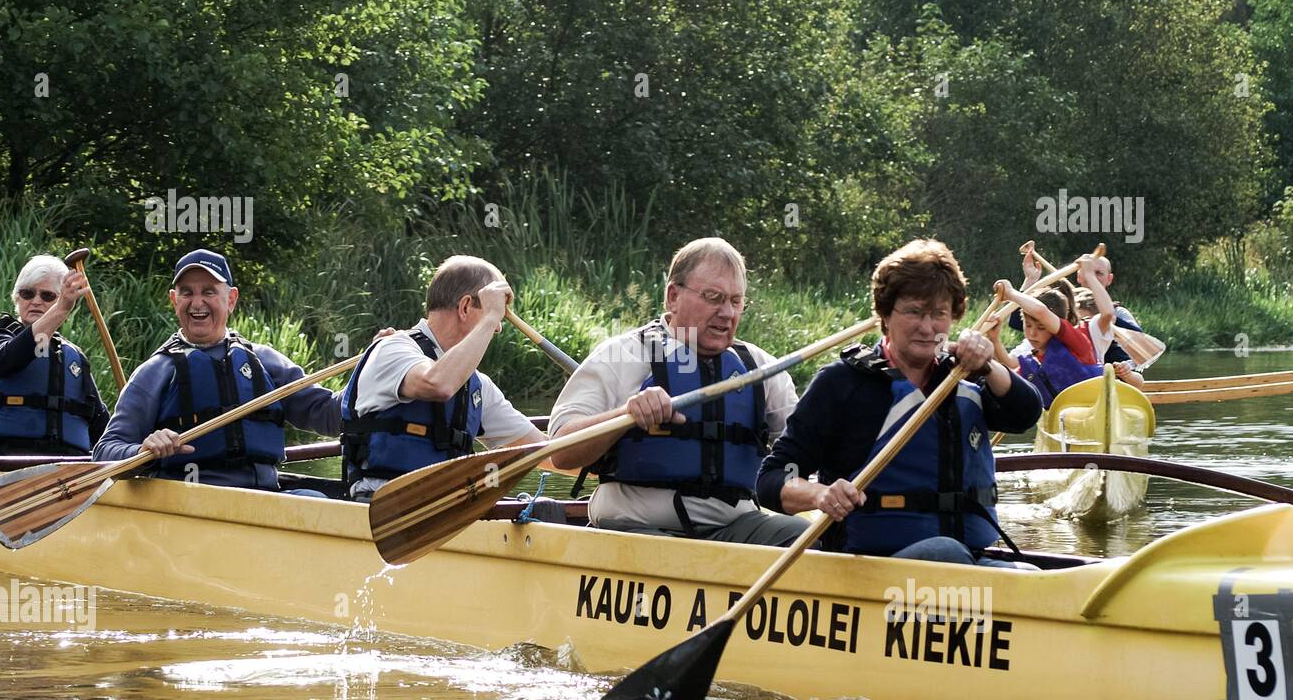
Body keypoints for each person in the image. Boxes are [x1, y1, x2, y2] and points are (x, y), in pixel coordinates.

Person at [756, 239, 1041, 569]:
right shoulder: (841, 384)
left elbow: (1026, 414)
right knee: (944, 553)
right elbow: (772, 478)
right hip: (873, 569)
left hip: (967, 563)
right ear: (885, 315)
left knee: (1032, 577)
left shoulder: (965, 374)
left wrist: (990, 365)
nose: (927, 326)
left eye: (939, 314)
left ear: (954, 317)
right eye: (914, 311)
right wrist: (819, 494)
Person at [548, 237, 807, 547]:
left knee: (806, 540)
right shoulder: (623, 356)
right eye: (713, 297)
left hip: (735, 527)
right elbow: (560, 451)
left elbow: (802, 451)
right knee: (664, 553)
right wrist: (625, 414)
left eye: (735, 301)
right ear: (673, 296)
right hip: (635, 527)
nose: (727, 312)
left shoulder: (762, 368)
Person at [93, 250, 340, 495]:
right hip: (191, 507)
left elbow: (330, 415)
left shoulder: (266, 362)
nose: (197, 303)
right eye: (187, 292)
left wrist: (376, 361)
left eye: (209, 291)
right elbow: (105, 452)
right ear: (174, 300)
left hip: (265, 501)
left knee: (315, 499)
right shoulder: (155, 372)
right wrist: (141, 452)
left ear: (231, 299)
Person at [341, 255, 544, 501]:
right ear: (466, 307)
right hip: (379, 505)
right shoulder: (391, 350)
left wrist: (600, 460)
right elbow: (438, 384)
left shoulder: (477, 387)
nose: (498, 328)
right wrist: (490, 318)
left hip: (443, 510)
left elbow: (547, 452)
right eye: (497, 316)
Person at [0, 255, 110, 455]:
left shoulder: (72, 356)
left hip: (69, 469)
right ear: (17, 297)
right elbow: (8, 359)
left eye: (47, 296)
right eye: (27, 293)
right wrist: (60, 309)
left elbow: (101, 424)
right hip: (5, 462)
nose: (36, 301)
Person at [990, 265, 1103, 408]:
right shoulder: (1033, 361)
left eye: (1041, 328)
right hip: (1062, 422)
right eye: (1028, 325)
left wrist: (1011, 293)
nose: (1032, 333)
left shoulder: (1077, 342)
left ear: (1052, 325)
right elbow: (1008, 365)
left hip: (1095, 410)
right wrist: (994, 339)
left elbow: (1040, 312)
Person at [1010, 248, 1143, 367]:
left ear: (1109, 279)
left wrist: (1110, 321)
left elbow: (1139, 341)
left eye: (1099, 273)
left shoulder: (1117, 312)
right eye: (1090, 272)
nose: (1094, 278)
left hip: (1107, 373)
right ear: (1079, 276)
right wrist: (1030, 281)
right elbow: (1016, 321)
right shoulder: (1064, 304)